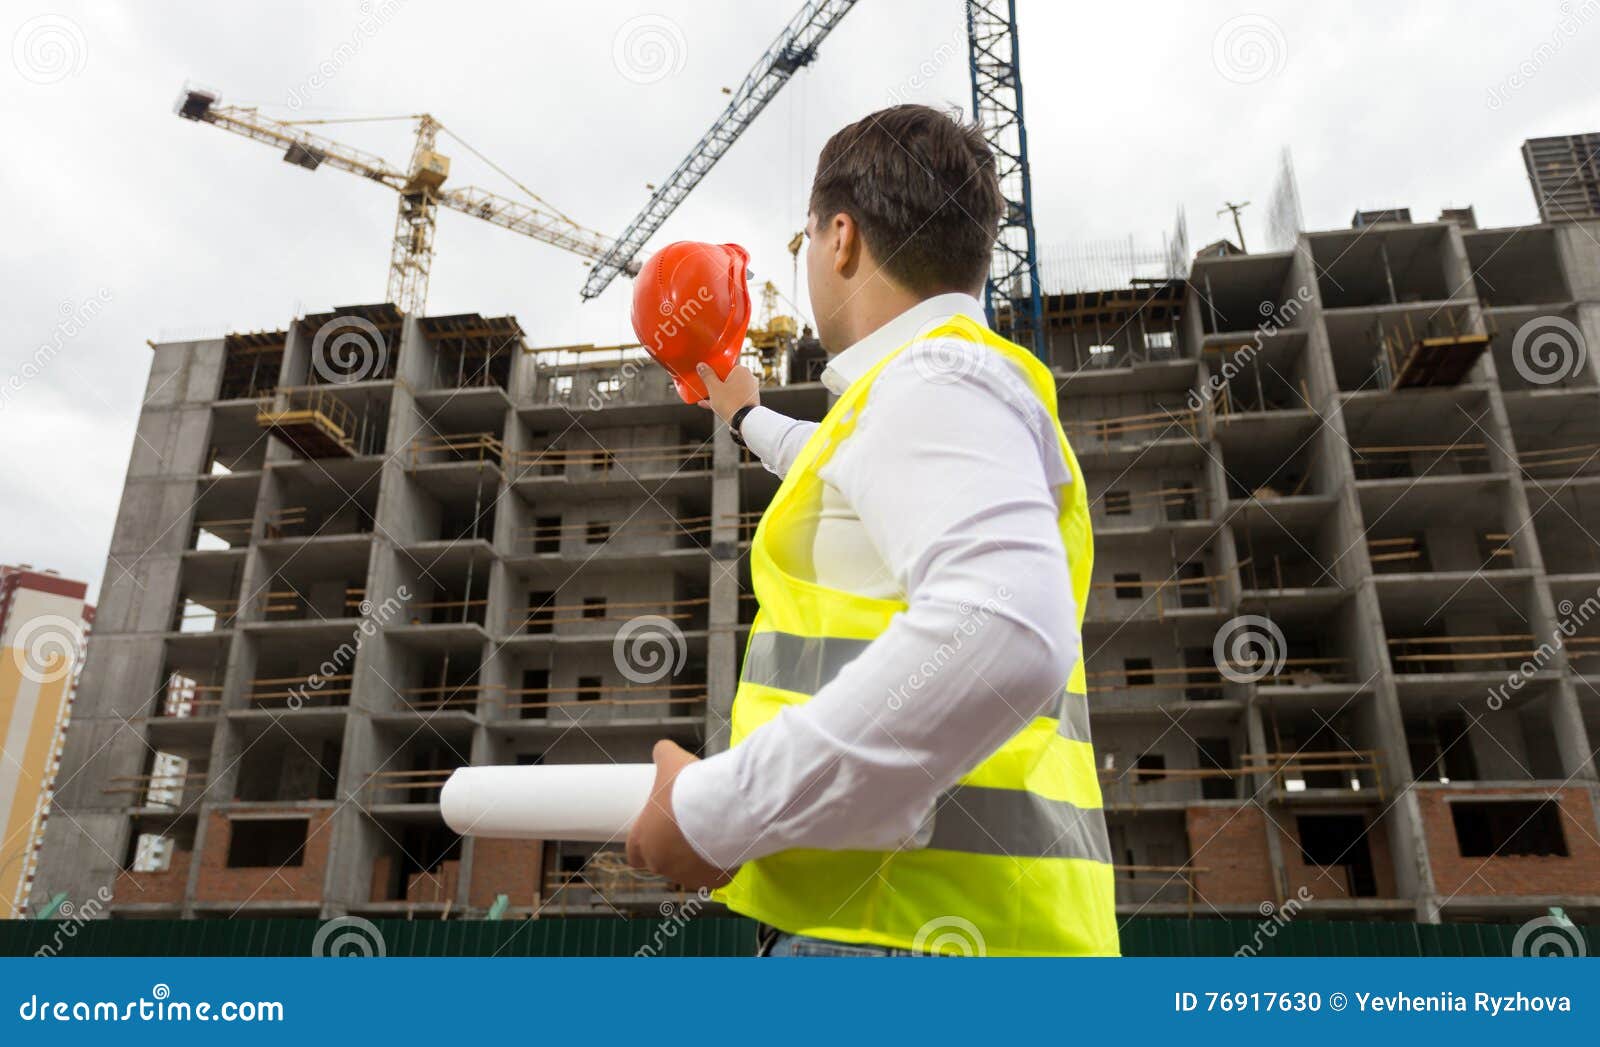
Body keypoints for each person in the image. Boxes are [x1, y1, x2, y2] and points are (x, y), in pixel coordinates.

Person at [626, 104, 1118, 957]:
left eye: (805, 239)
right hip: (955, 932)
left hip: (892, 938)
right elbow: (843, 463)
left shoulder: (933, 380)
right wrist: (744, 415)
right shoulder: (933, 391)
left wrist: (716, 808)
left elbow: (1005, 623)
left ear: (843, 237)